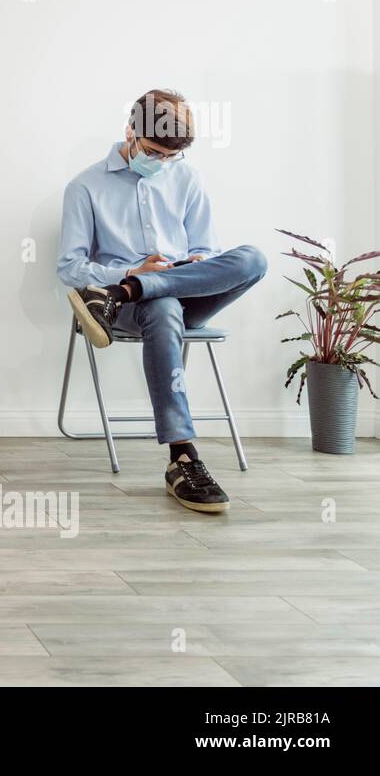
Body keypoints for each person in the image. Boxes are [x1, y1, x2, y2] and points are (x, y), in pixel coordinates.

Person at [59, 88, 267, 513]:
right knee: (162, 305)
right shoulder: (85, 186)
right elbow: (69, 268)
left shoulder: (187, 177)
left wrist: (192, 263)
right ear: (130, 131)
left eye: (171, 157)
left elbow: (208, 249)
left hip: (172, 291)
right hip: (137, 311)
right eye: (155, 152)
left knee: (253, 258)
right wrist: (132, 274)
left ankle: (120, 294)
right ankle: (182, 456)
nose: (163, 163)